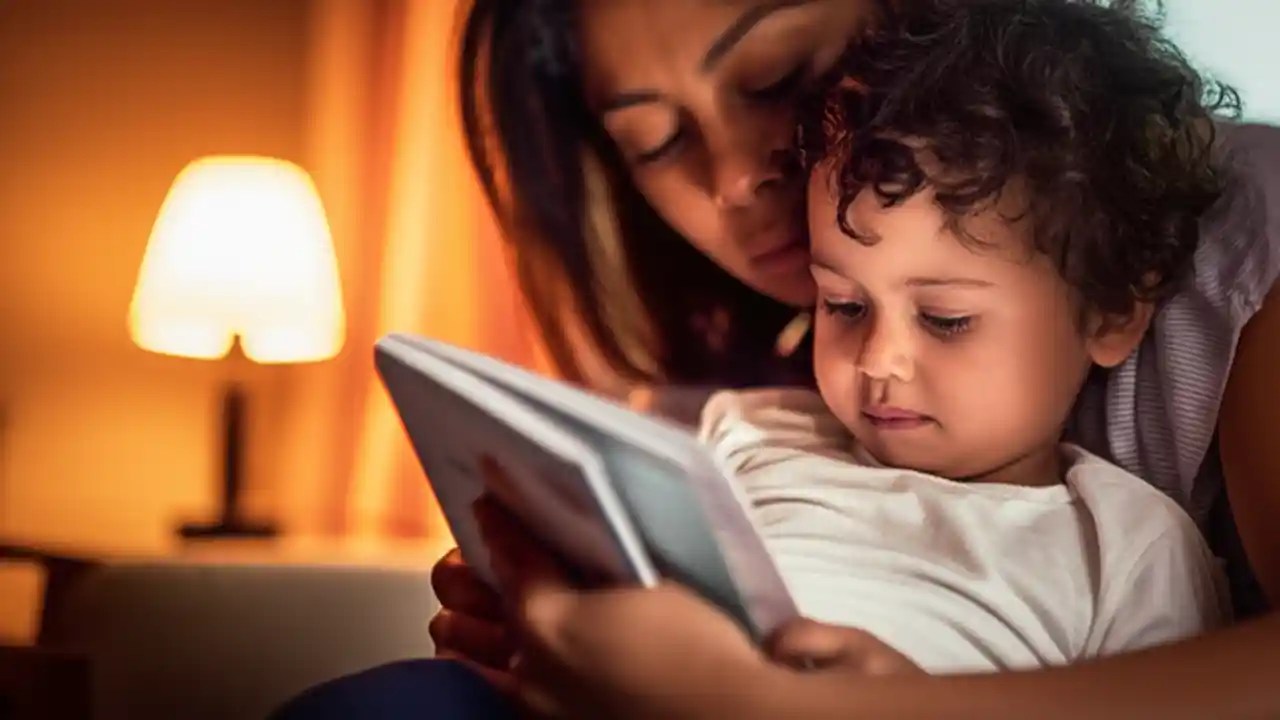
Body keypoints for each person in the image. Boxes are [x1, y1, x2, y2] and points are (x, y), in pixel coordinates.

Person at [274, 0, 1280, 717]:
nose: (734, 179)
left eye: (774, 80)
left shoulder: (1126, 523)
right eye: (656, 142)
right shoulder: (743, 415)